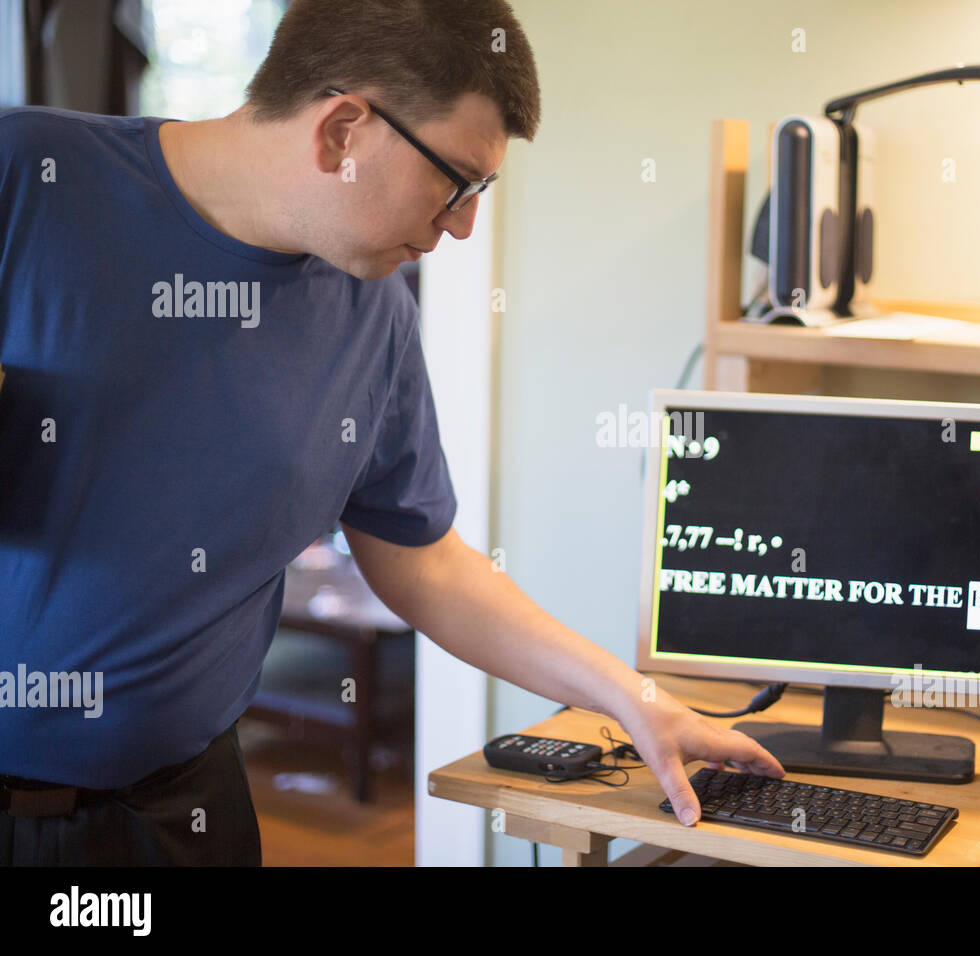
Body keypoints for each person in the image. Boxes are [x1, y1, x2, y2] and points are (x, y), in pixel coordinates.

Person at [0, 0, 782, 865]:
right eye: (458, 180)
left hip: (183, 813)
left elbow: (424, 558)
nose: (463, 224)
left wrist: (633, 698)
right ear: (343, 131)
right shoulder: (28, 175)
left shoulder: (373, 314)